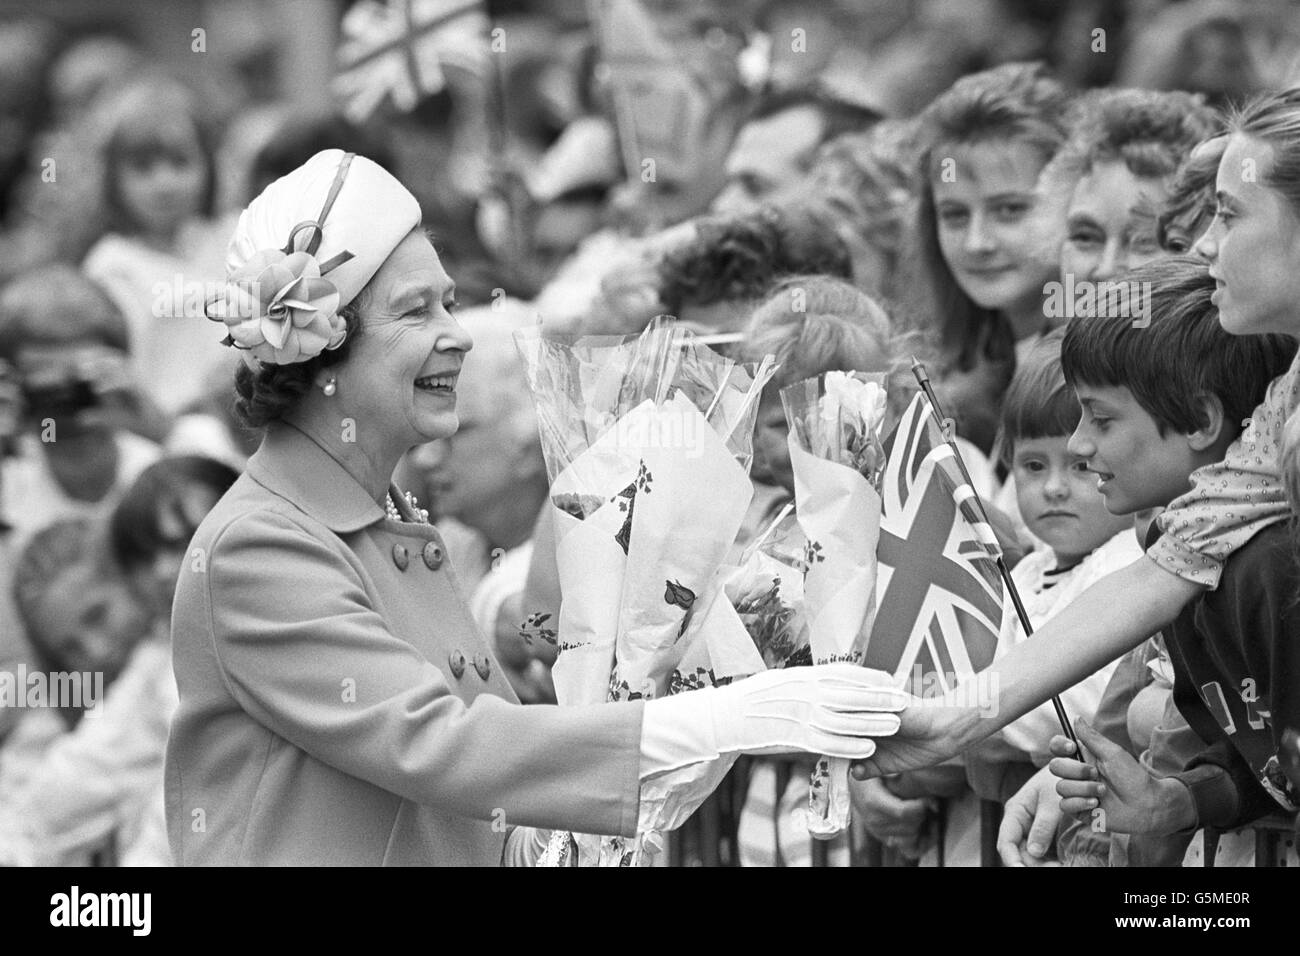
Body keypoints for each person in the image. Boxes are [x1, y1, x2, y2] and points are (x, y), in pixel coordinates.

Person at [168, 148, 906, 866]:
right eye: (415, 310)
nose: (455, 334)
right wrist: (706, 721)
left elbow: (457, 796)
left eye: (448, 303)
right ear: (327, 356)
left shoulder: (381, 516)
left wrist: (556, 845)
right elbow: (438, 743)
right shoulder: (258, 546)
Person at [861, 88, 1300, 781]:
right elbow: (1164, 573)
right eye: (1086, 235)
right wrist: (954, 720)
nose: (1204, 245)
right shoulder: (1287, 400)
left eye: (1229, 213)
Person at [995, 256, 1292, 866]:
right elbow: (1259, 762)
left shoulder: (1270, 571)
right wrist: (1179, 799)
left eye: (1100, 419)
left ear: (1202, 421)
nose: (1078, 445)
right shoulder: (1184, 553)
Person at [901, 62, 1072, 453]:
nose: (977, 242)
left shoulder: (1099, 374)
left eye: (1010, 210)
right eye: (955, 215)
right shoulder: (956, 375)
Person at [405, 300, 556, 704]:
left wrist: (497, 618)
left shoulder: (592, 548)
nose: (424, 457)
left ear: (530, 438)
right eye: (424, 432)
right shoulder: (443, 543)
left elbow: (547, 632)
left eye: (454, 432)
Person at [81, 76, 235, 417]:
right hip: (159, 433)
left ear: (208, 166)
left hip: (248, 425)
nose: (164, 183)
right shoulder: (110, 265)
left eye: (180, 163)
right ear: (113, 179)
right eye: (143, 168)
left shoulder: (238, 233)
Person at [0, 264, 161, 543]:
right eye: (45, 386)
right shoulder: (10, 488)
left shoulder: (165, 470)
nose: (68, 409)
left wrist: (160, 429)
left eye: (82, 386)